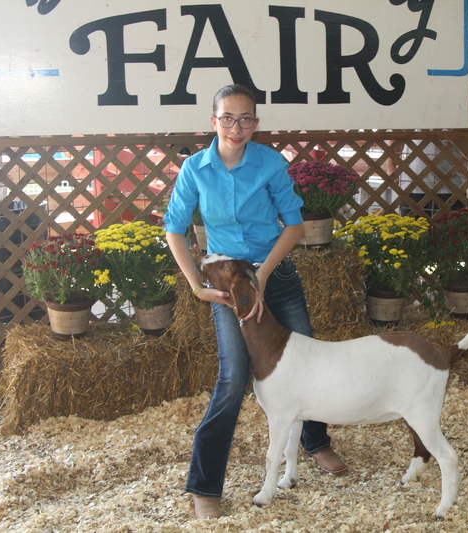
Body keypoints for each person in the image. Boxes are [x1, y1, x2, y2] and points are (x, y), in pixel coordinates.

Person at [163, 84, 347, 520]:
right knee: (235, 375)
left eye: (246, 118)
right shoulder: (195, 168)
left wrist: (262, 277)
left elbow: (295, 226)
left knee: (308, 359)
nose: (237, 126)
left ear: (256, 123)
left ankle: (315, 442)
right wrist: (196, 285)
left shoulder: (269, 163)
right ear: (213, 121)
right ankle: (205, 484)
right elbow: (174, 230)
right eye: (227, 117)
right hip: (229, 283)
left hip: (274, 274)